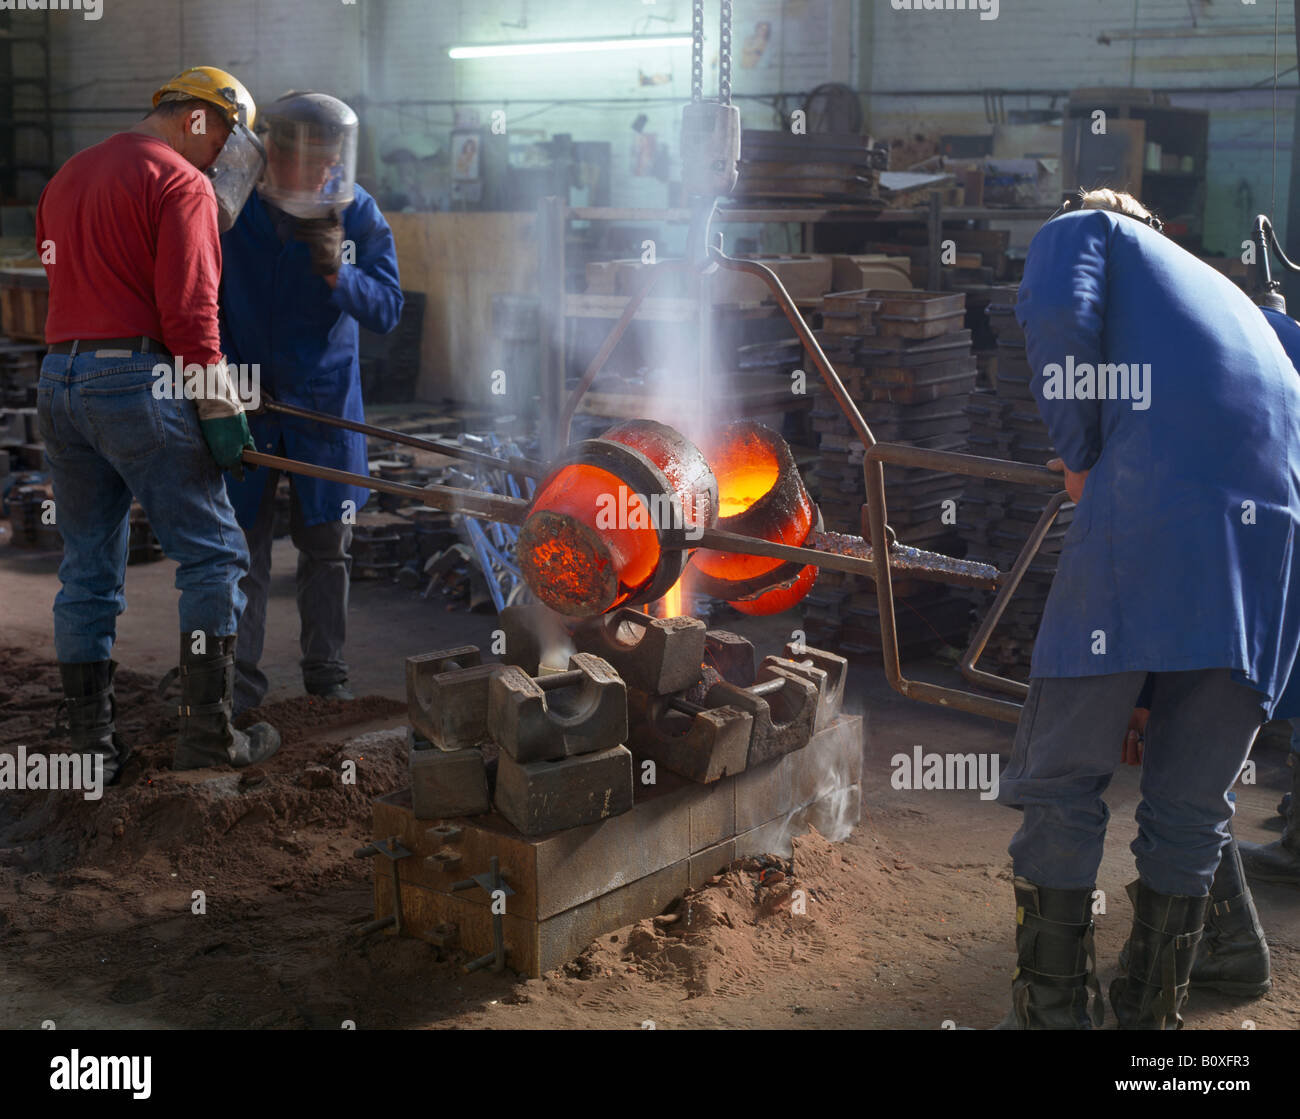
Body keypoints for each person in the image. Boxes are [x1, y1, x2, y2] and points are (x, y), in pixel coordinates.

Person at [996, 189, 1300, 1029]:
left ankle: (1054, 1014)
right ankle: (1146, 1022)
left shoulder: (1088, 229)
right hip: (1274, 545)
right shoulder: (1239, 306)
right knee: (1193, 804)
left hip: (1154, 506)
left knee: (1060, 779)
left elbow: (1059, 307)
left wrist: (1080, 452)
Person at [35, 67, 280, 781]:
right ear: (201, 119)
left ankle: (91, 751)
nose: (218, 161)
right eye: (224, 141)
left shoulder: (68, 175)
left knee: (85, 571)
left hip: (60, 378)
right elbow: (191, 311)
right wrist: (217, 406)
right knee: (214, 554)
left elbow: (76, 288)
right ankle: (208, 735)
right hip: (137, 380)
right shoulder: (180, 182)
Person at [220, 92, 403, 713]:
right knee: (242, 546)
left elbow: (387, 309)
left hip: (323, 410)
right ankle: (237, 679)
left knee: (327, 547)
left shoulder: (355, 211)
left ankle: (327, 675)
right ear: (273, 151)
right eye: (312, 163)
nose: (325, 175)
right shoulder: (231, 206)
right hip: (243, 404)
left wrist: (338, 273)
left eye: (333, 163)